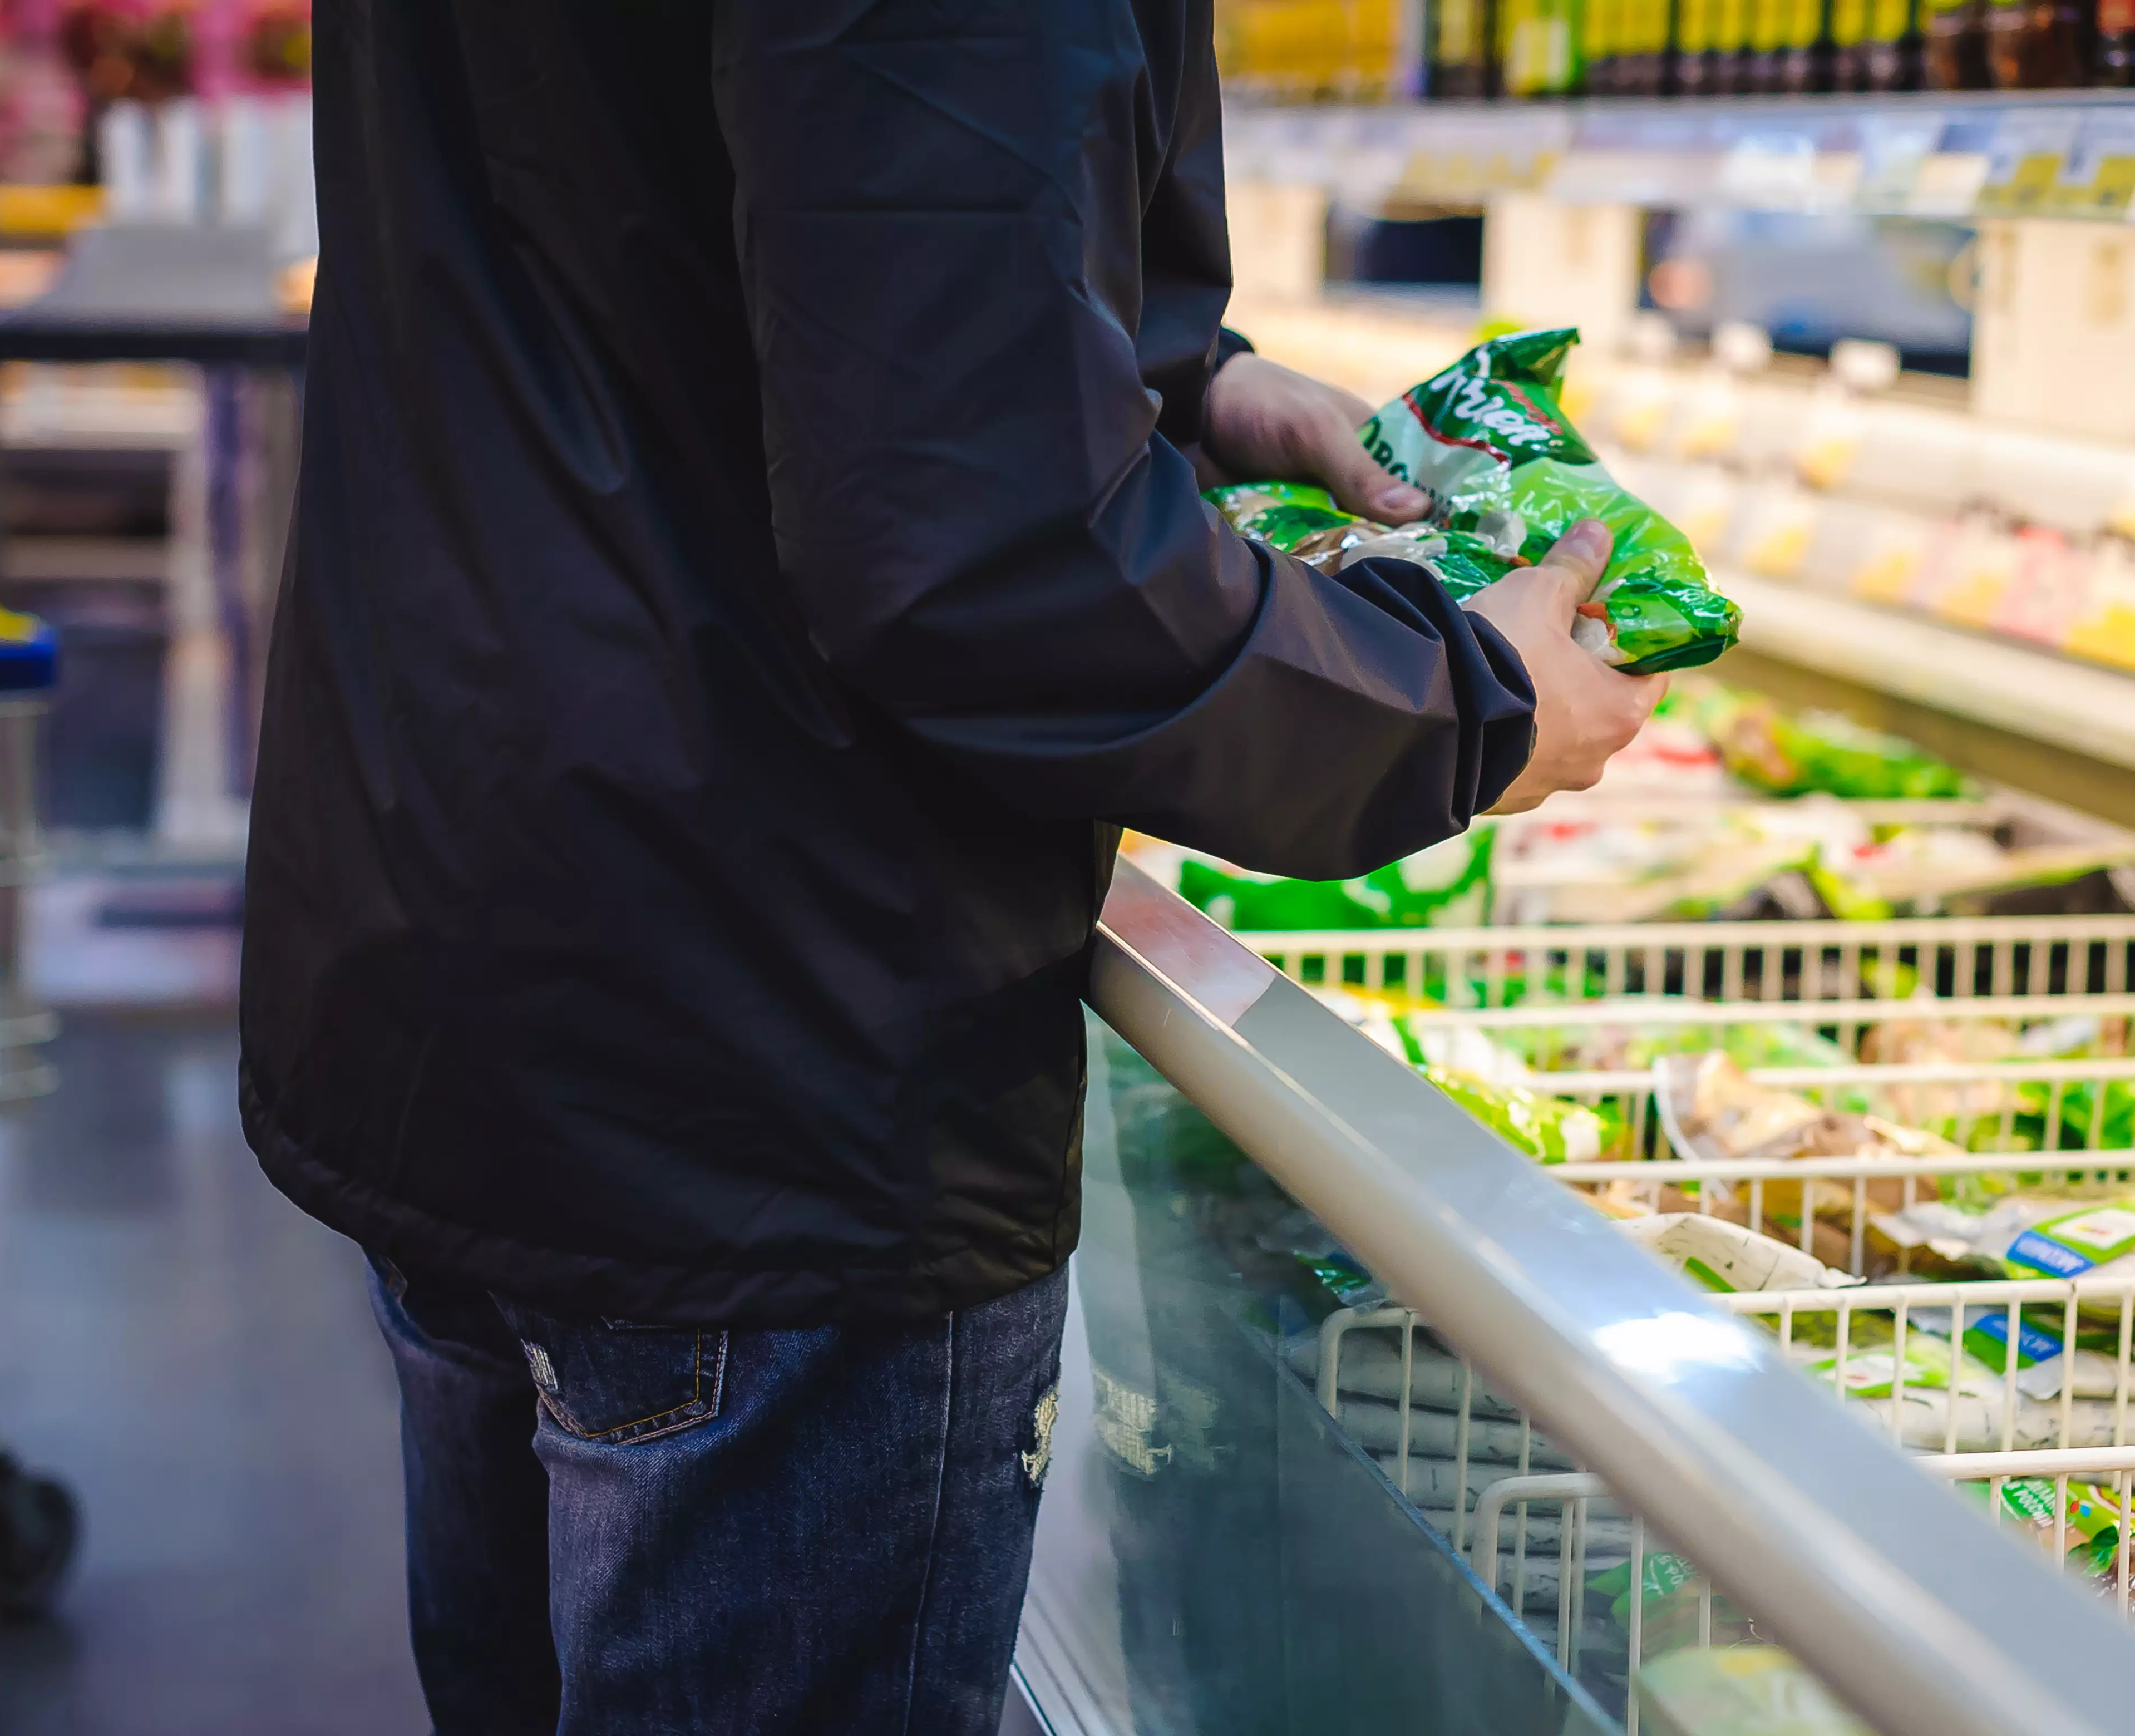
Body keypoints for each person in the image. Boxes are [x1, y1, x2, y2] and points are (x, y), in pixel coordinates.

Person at [238, 2, 1665, 1731]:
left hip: (476, 904)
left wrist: (1169, 387)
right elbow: (984, 556)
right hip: (763, 1052)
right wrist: (1462, 700)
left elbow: (645, 212)